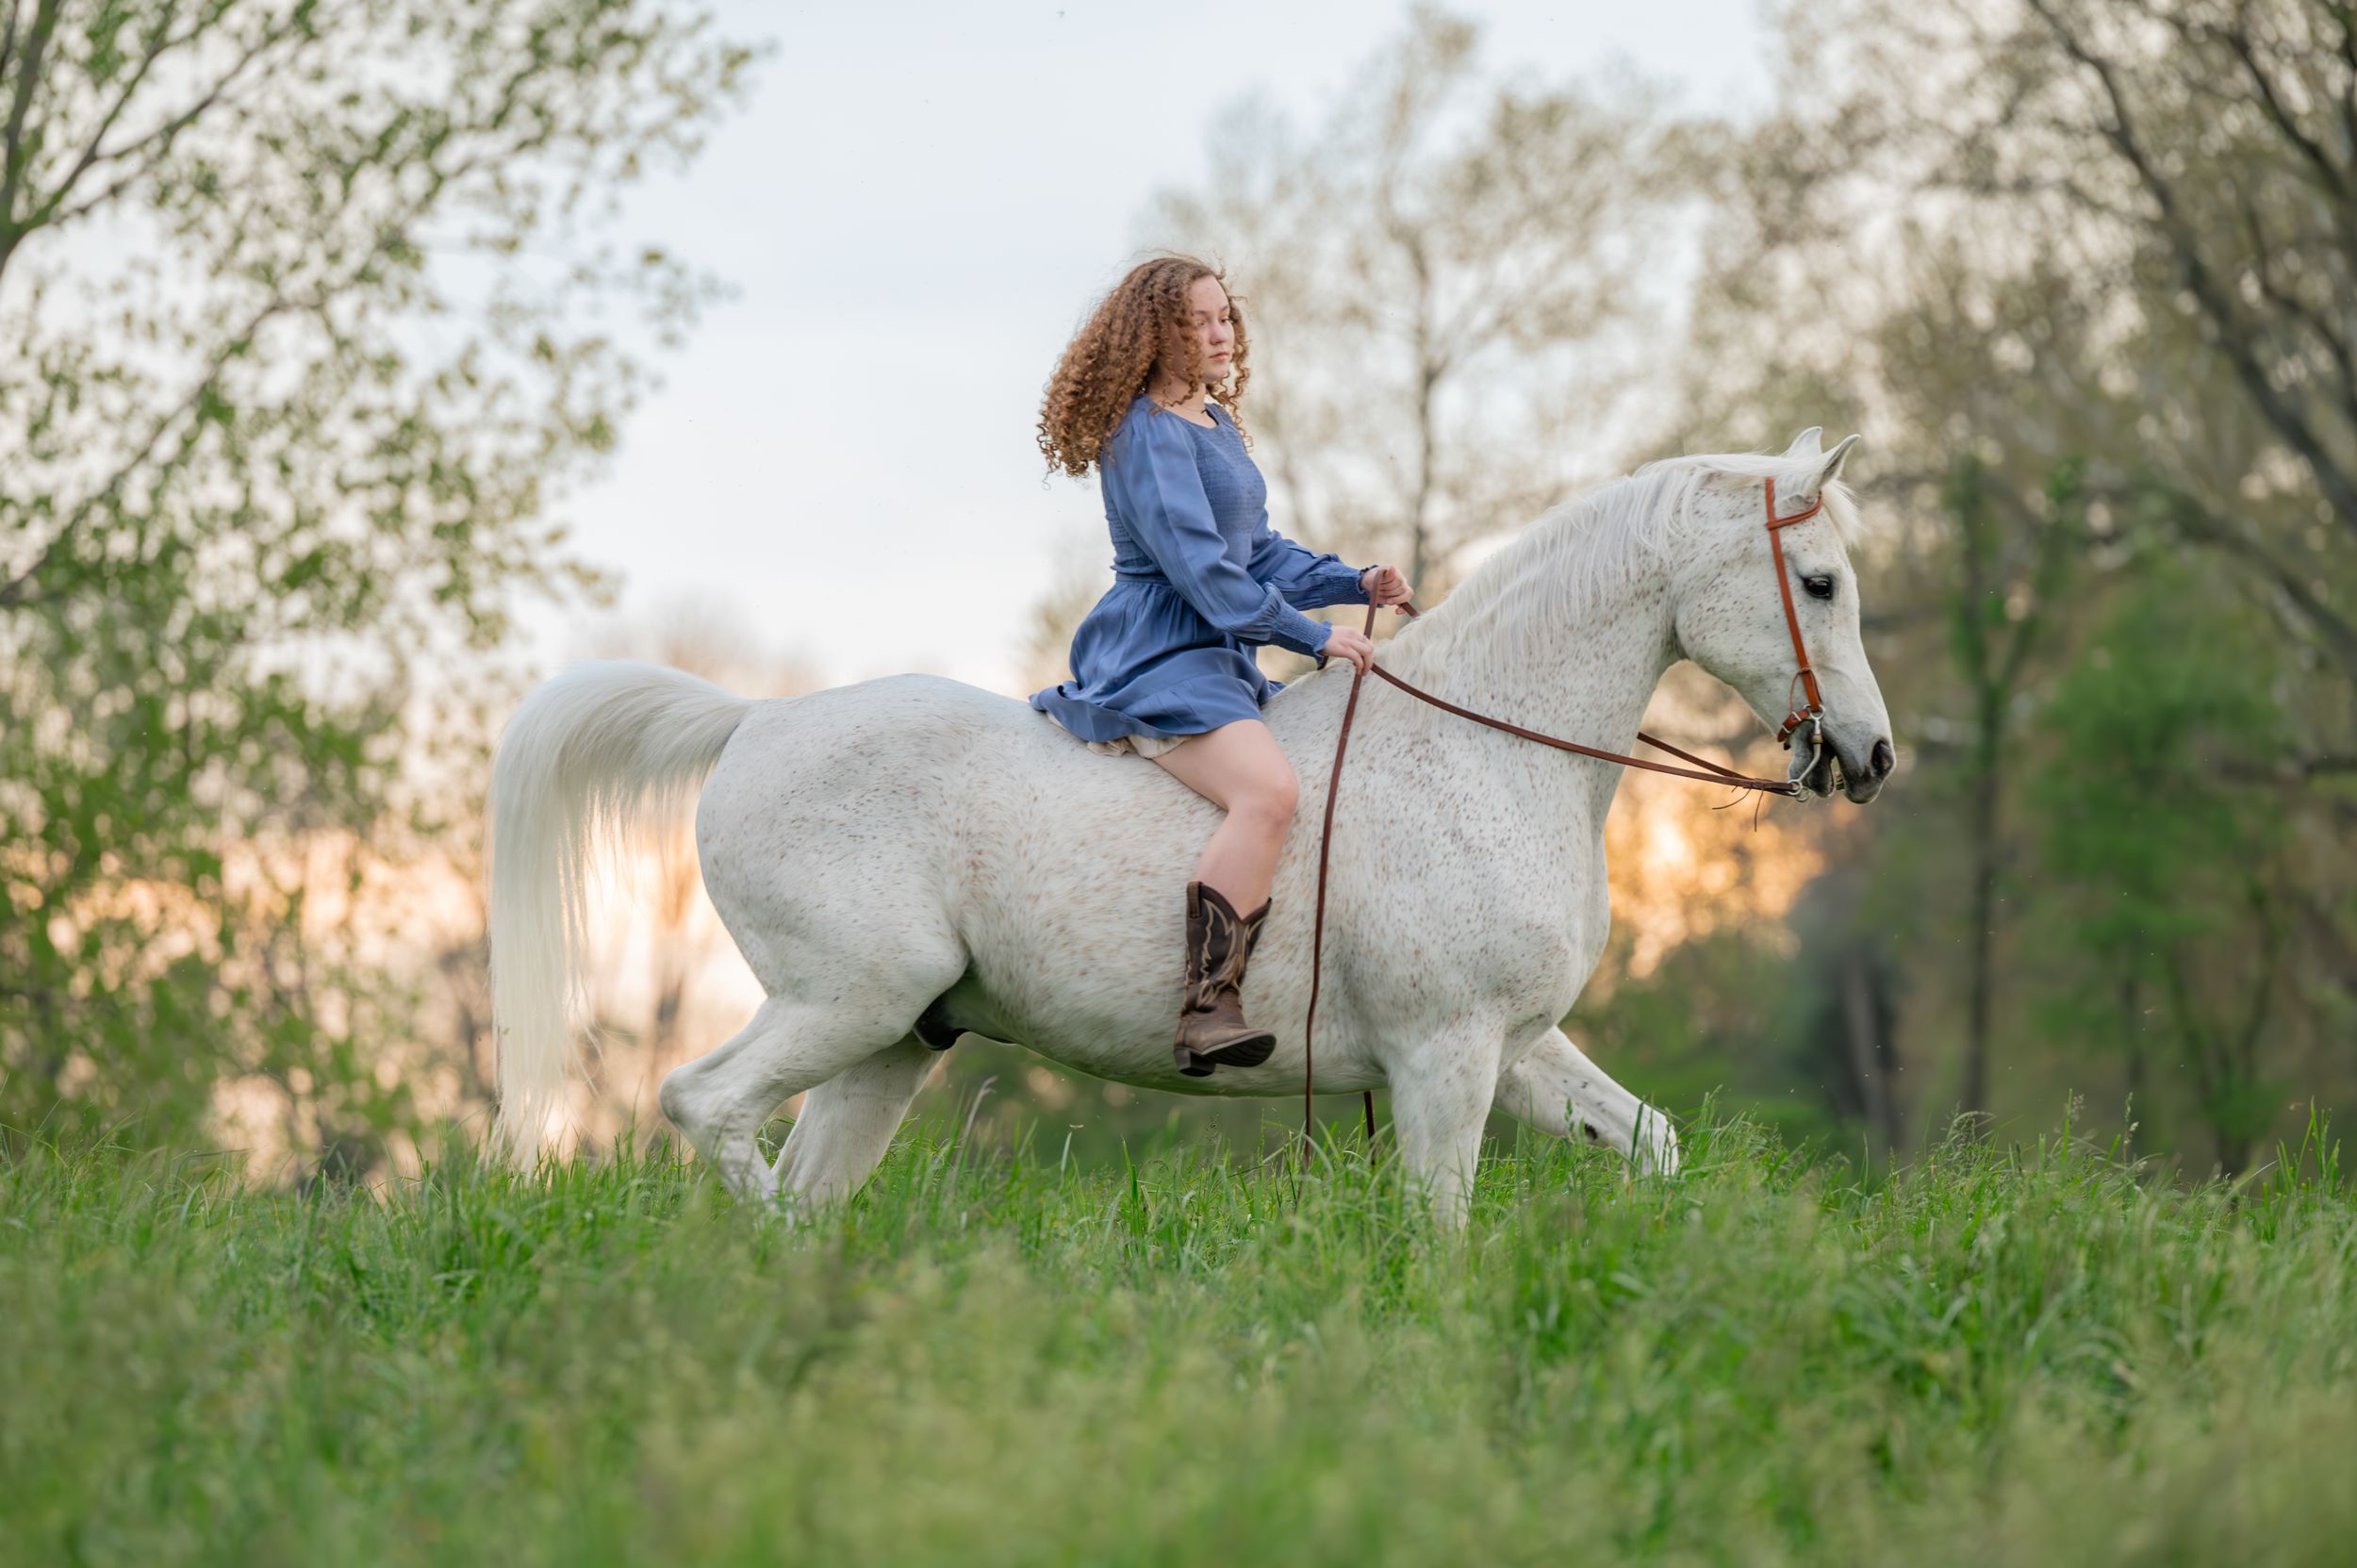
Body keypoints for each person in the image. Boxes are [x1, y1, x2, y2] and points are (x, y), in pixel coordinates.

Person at [1029, 255, 1413, 1078]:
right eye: (1194, 321)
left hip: (1218, 649)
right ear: (1153, 335)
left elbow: (1258, 550)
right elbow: (1204, 574)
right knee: (1269, 790)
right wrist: (1314, 637)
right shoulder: (1141, 432)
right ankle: (1208, 1007)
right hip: (1161, 649)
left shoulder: (1214, 423)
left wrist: (1352, 581)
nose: (1217, 334)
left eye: (1224, 317)